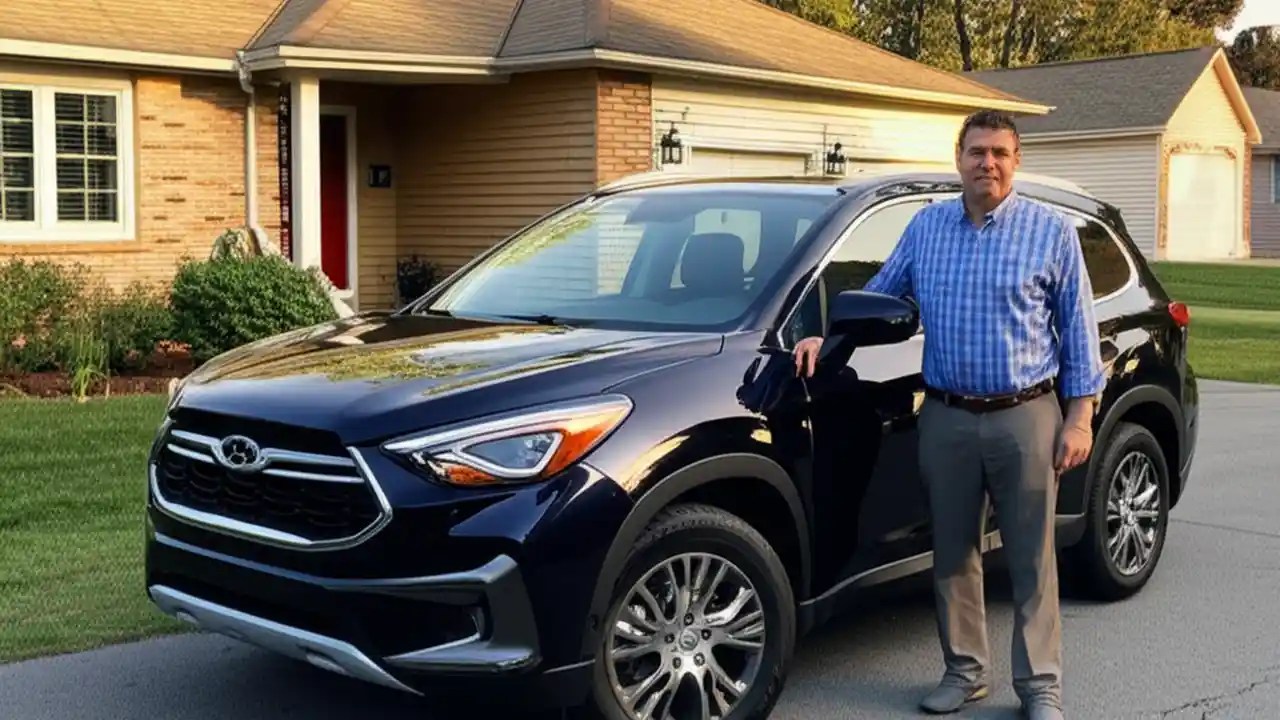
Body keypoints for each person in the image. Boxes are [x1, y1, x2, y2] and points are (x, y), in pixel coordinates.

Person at [793, 109, 1104, 720]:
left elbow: (1078, 330)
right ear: (958, 157)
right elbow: (881, 294)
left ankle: (1041, 687)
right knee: (954, 552)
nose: (987, 163)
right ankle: (965, 672)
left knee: (1031, 558)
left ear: (1016, 160)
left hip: (1027, 414)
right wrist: (824, 339)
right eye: (977, 151)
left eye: (1000, 153)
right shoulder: (927, 227)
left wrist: (1080, 417)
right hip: (947, 416)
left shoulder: (1051, 232)